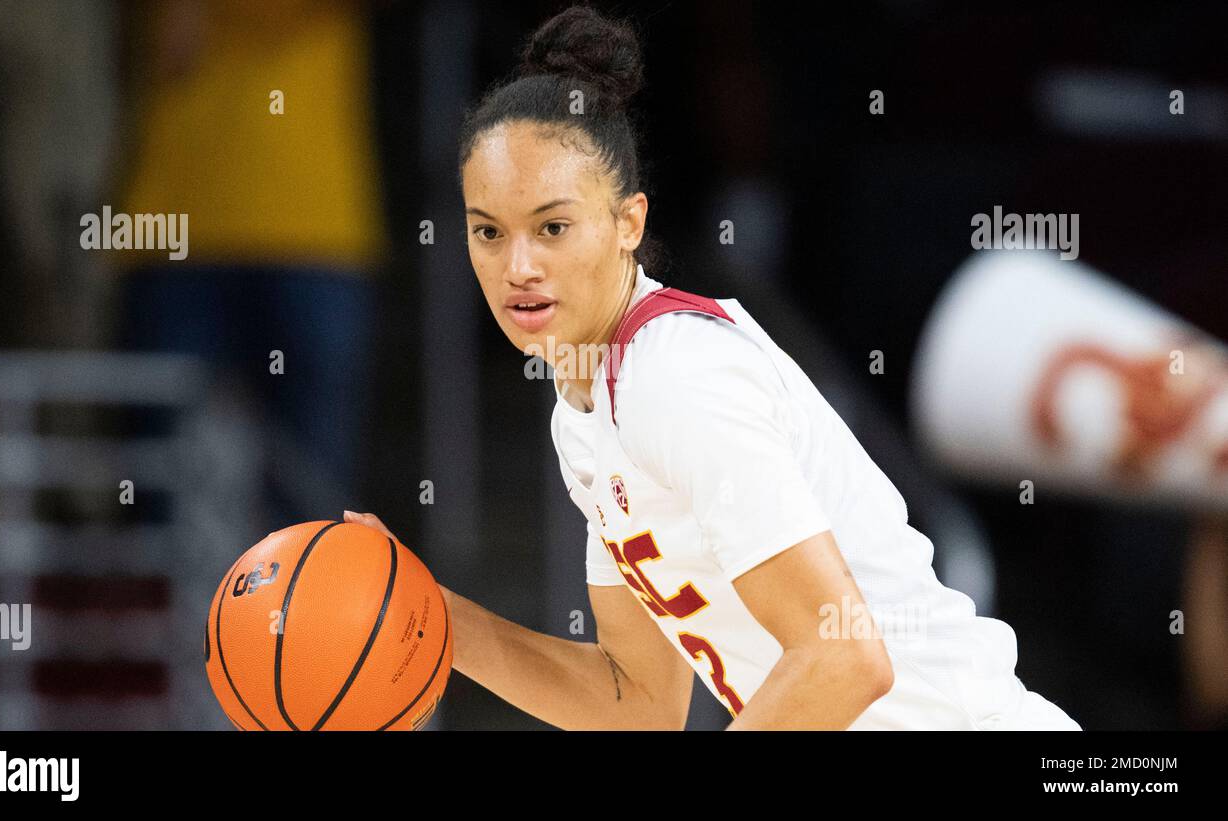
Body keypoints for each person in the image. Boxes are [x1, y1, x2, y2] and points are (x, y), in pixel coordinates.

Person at [349, 5, 1081, 730]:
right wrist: (435, 614)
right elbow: (636, 702)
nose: (519, 266)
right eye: (488, 231)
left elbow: (847, 658)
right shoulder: (586, 412)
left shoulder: (675, 377)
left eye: (553, 227)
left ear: (629, 222)